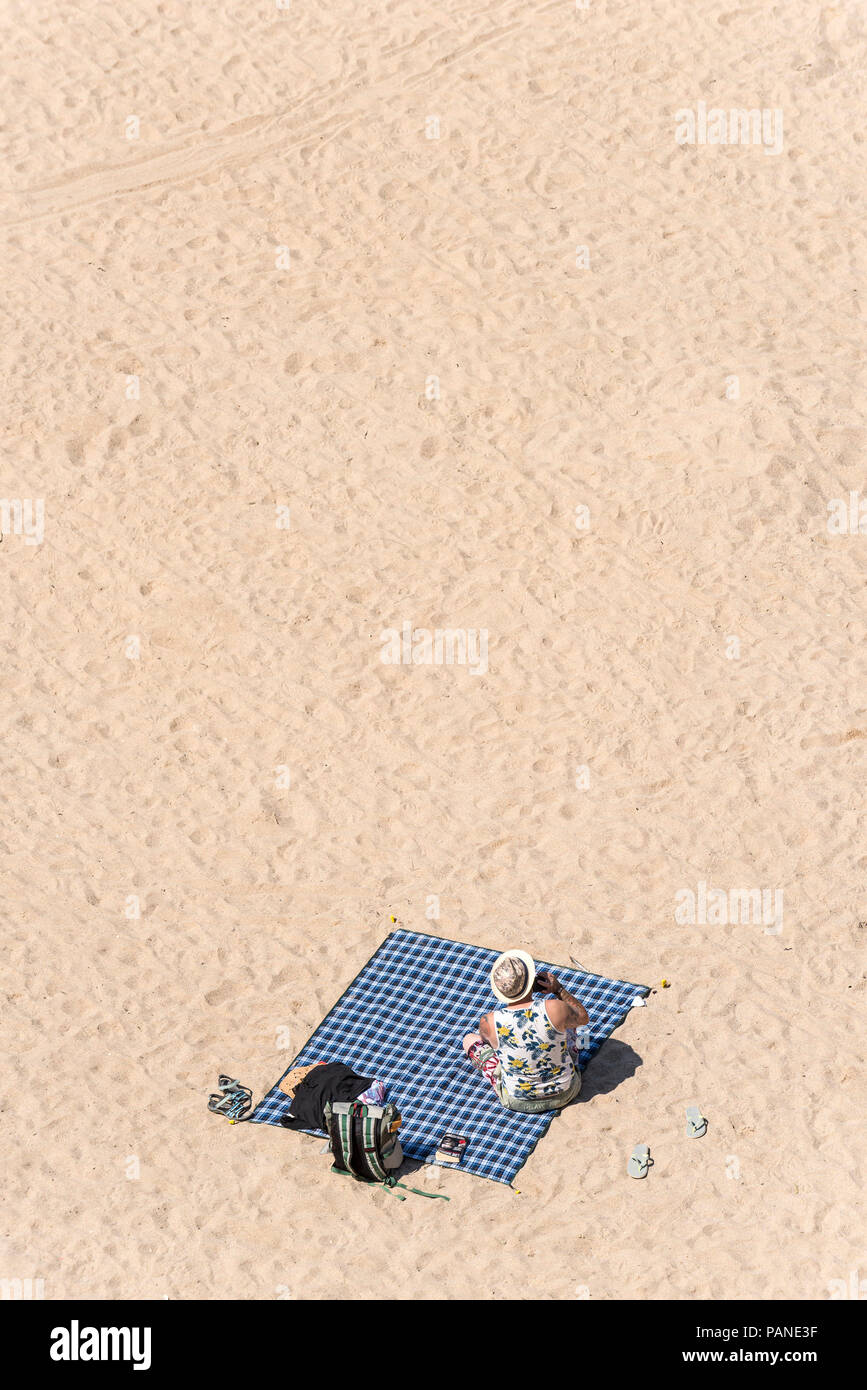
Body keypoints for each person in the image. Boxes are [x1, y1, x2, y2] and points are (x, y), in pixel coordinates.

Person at [462, 949, 589, 1113]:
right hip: (566, 1091)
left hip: (518, 1100)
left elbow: (489, 1043)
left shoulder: (489, 1021)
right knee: (568, 1023)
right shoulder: (555, 1008)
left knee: (469, 1040)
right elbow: (583, 1018)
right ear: (531, 982)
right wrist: (559, 989)